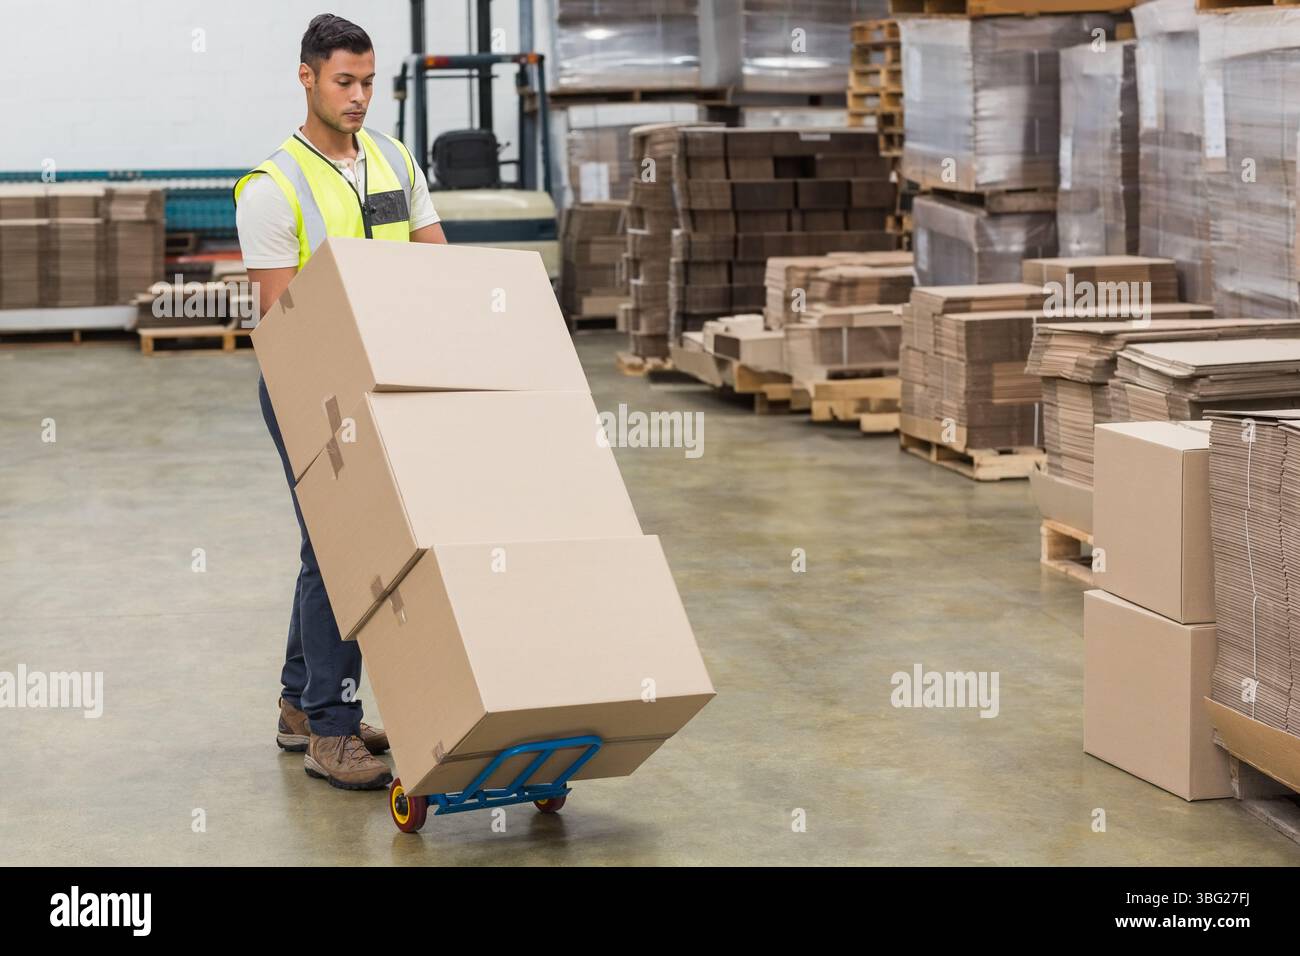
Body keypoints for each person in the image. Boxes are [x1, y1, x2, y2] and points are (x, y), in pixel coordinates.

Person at [234, 13, 447, 790]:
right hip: (309, 390)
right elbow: (283, 326)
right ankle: (330, 728)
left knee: (323, 548)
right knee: (341, 550)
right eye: (343, 82)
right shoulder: (273, 186)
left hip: (386, 378)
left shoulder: (392, 159)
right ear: (307, 78)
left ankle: (299, 704)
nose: (359, 98)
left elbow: (436, 264)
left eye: (367, 82)